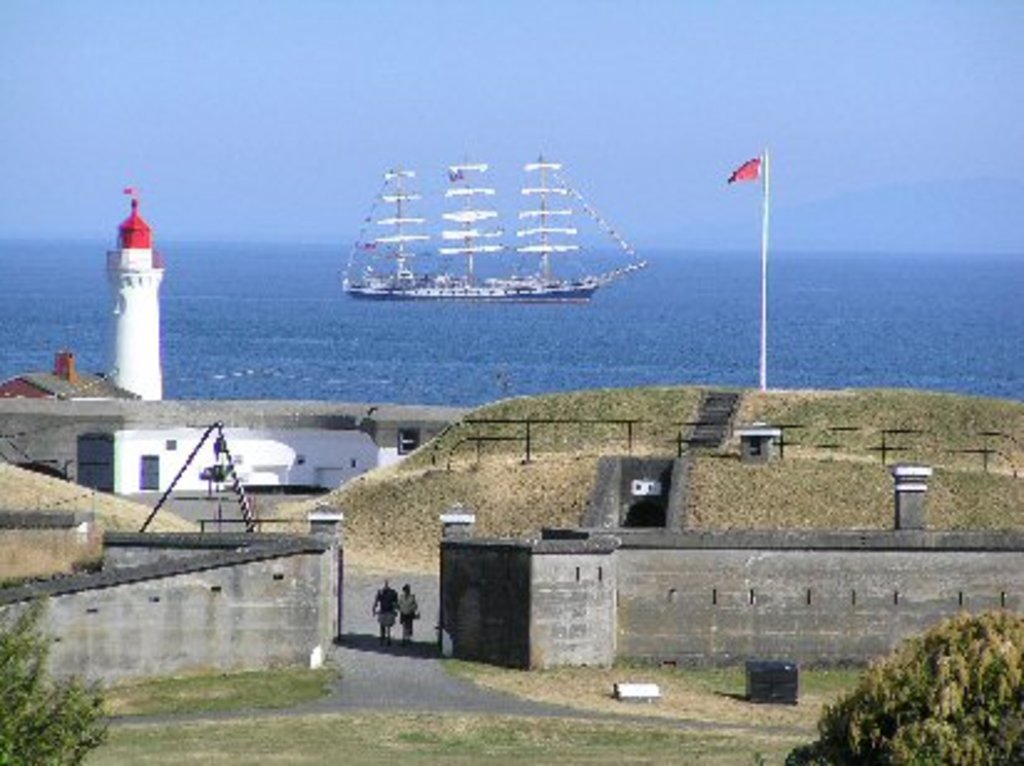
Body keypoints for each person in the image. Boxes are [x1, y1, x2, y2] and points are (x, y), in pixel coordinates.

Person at [372, 580, 398, 646]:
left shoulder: (381, 593)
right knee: (387, 626)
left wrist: (374, 610)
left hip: (384, 611)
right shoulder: (392, 593)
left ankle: (383, 638)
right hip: (388, 611)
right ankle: (387, 638)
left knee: (383, 625)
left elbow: (376, 602)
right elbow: (395, 603)